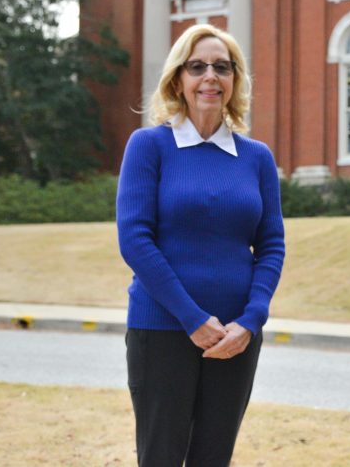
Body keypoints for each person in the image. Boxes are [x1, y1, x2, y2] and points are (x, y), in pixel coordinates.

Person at [117, 24, 285, 466]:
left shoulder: (257, 157)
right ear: (178, 80)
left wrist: (249, 321)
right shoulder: (149, 145)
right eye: (197, 67)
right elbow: (135, 240)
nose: (210, 76)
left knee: (213, 459)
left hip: (235, 337)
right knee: (162, 458)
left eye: (222, 67)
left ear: (234, 80)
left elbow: (270, 246)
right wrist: (193, 320)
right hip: (162, 330)